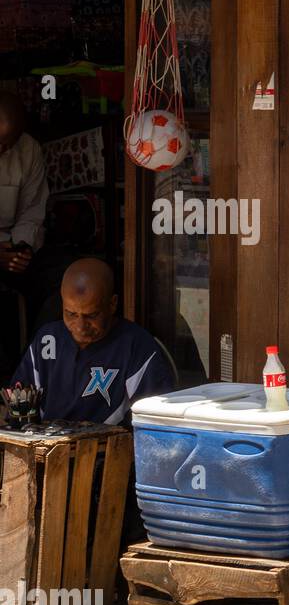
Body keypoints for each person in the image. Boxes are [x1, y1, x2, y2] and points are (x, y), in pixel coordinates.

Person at [9, 258, 175, 424]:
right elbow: (19, 407)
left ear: (112, 304)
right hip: (47, 446)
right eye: (71, 314)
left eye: (91, 315)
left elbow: (155, 420)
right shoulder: (47, 339)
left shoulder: (136, 345)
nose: (80, 327)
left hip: (108, 448)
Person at [0, 92, 50, 373]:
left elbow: (33, 209)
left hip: (12, 247)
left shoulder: (28, 150)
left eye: (8, 143)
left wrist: (21, 248)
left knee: (59, 281)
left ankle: (32, 370)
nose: (2, 149)